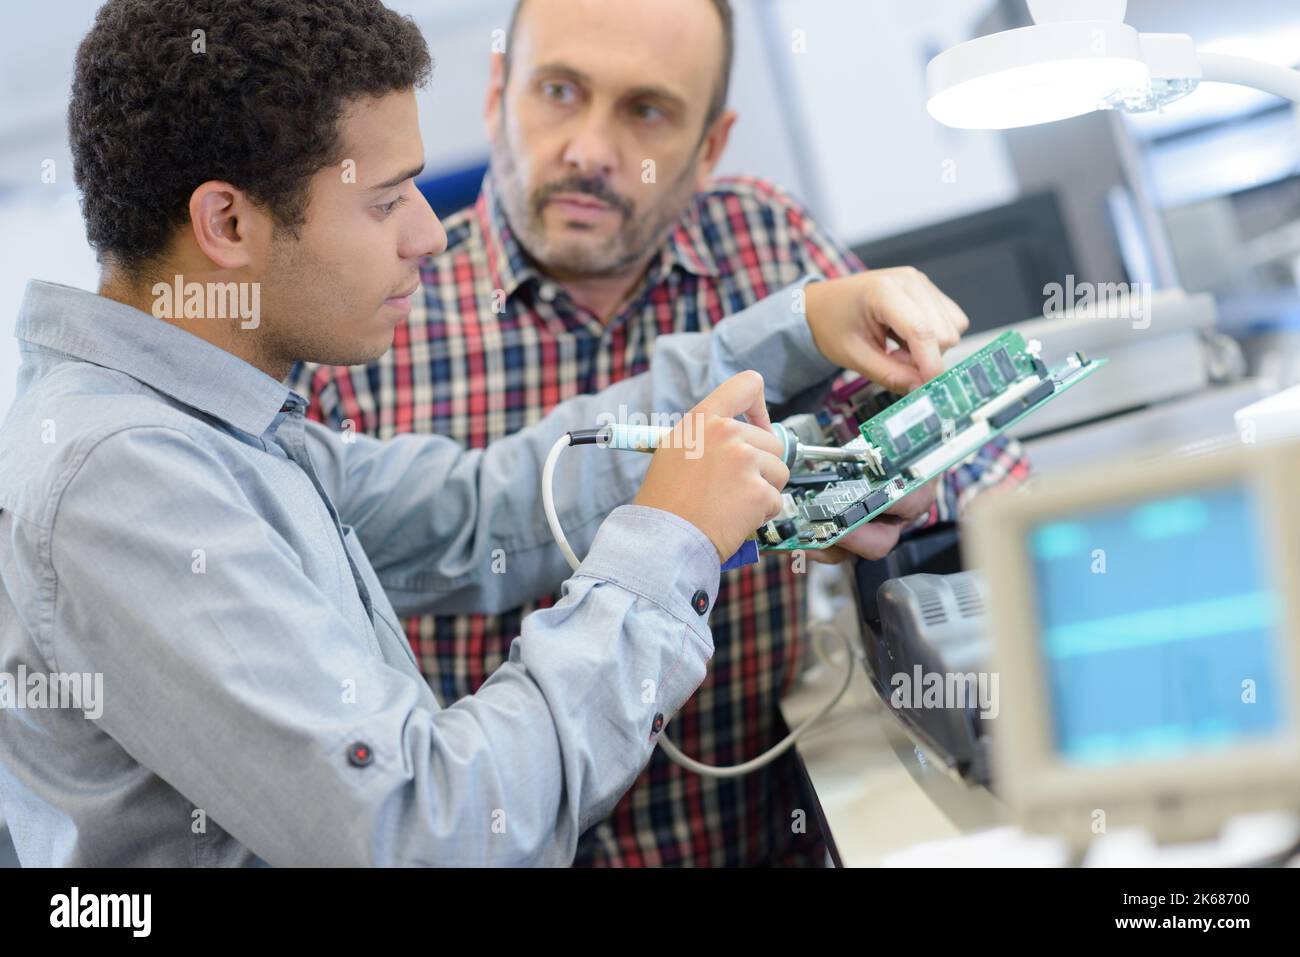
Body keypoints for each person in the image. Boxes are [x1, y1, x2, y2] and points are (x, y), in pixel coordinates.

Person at [0, 0, 966, 866]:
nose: (427, 234)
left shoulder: (217, 423)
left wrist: (797, 329)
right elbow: (427, 831)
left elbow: (483, 508)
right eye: (385, 202)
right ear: (227, 223)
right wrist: (666, 546)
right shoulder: (123, 479)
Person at [292, 0, 1030, 866]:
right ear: (498, 92)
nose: (591, 149)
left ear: (710, 145)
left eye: (647, 111)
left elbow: (986, 477)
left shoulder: (763, 239)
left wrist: (912, 486)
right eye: (559, 91)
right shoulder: (366, 316)